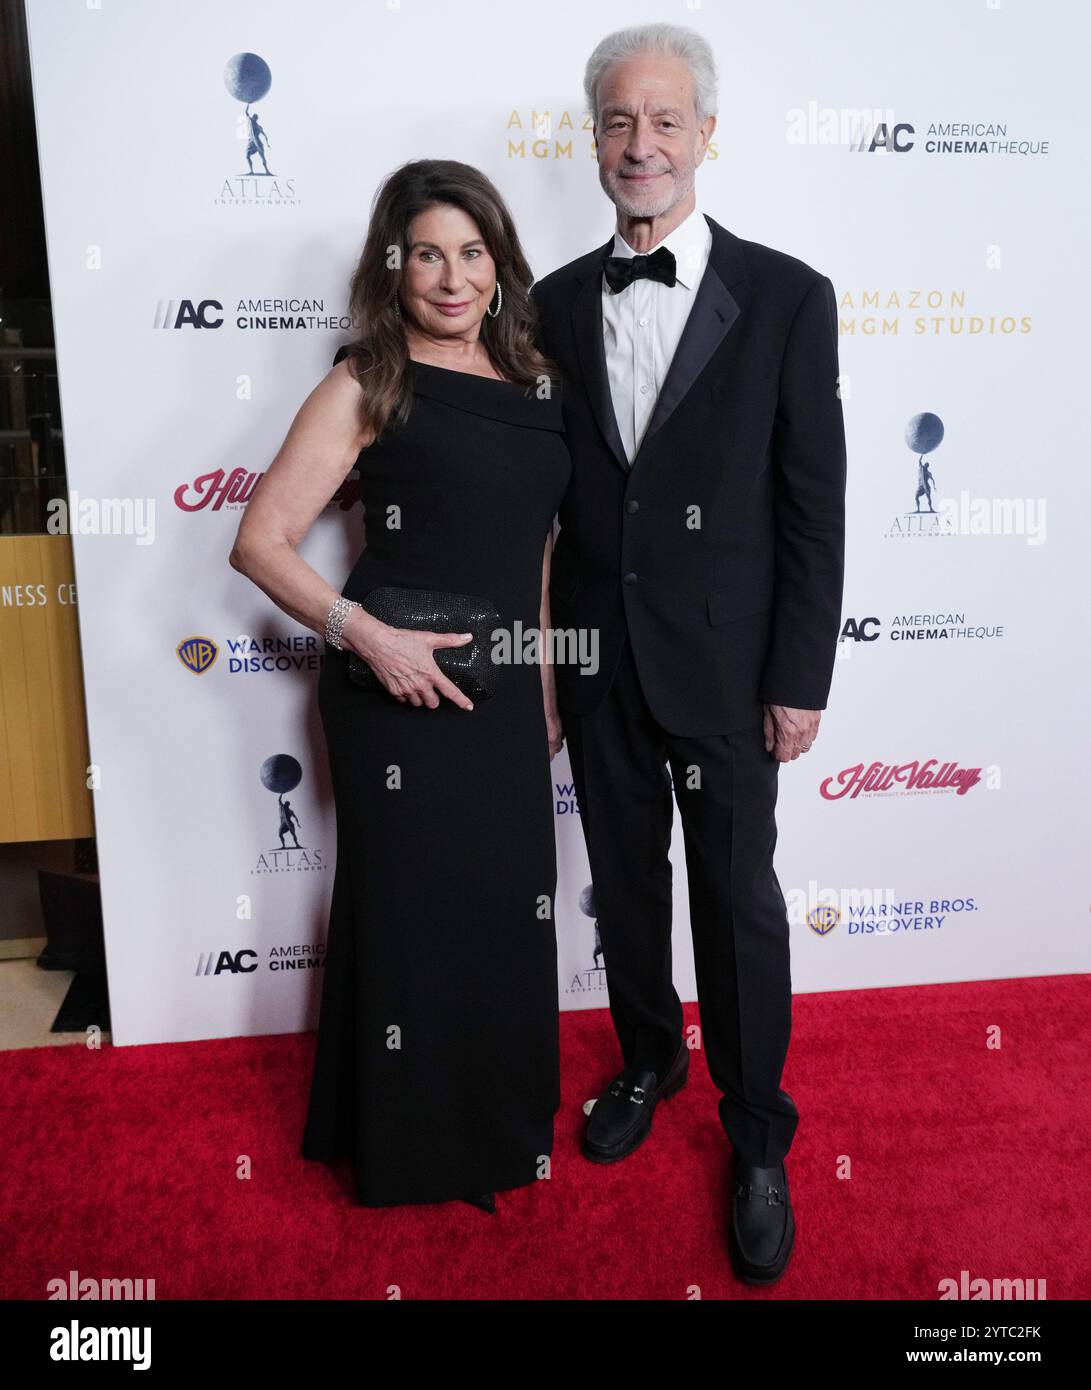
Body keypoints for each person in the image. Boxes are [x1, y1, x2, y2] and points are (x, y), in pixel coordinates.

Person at [530, 23, 847, 1282]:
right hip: (601, 665)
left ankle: (757, 1132)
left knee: (735, 900)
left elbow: (810, 502)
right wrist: (548, 659)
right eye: (617, 121)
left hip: (727, 670)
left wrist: (797, 678)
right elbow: (545, 507)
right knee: (625, 882)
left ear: (705, 136)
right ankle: (648, 1056)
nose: (639, 144)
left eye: (664, 121)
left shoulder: (785, 295)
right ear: (592, 142)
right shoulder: (550, 302)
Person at [229, 159, 571, 1211]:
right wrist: (368, 638)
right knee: (416, 913)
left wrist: (547, 688)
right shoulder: (365, 380)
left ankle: (495, 1133)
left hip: (506, 690)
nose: (452, 276)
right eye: (427, 252)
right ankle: (410, 1145)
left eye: (471, 253)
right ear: (395, 264)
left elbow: (540, 554)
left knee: (501, 914)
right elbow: (260, 541)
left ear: (498, 263)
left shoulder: (535, 382)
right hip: (395, 693)